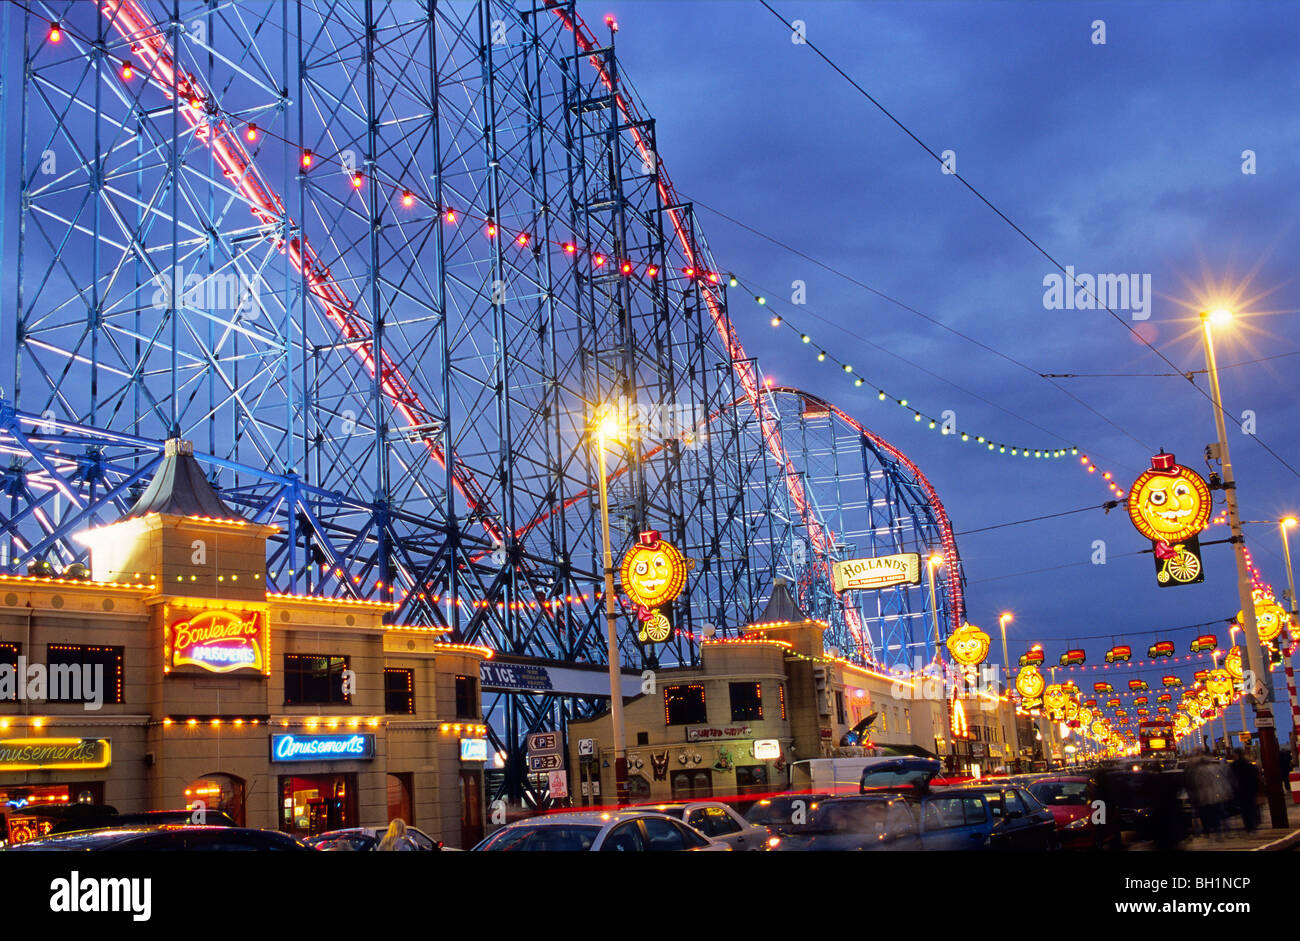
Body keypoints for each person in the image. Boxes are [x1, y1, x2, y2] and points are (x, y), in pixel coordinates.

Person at [1230, 750, 1261, 832]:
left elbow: (1232, 778)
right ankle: (1254, 822)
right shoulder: (1248, 764)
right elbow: (1255, 776)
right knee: (1252, 806)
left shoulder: (1234, 766)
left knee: (1245, 809)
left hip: (1241, 790)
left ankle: (1249, 825)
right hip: (1250, 789)